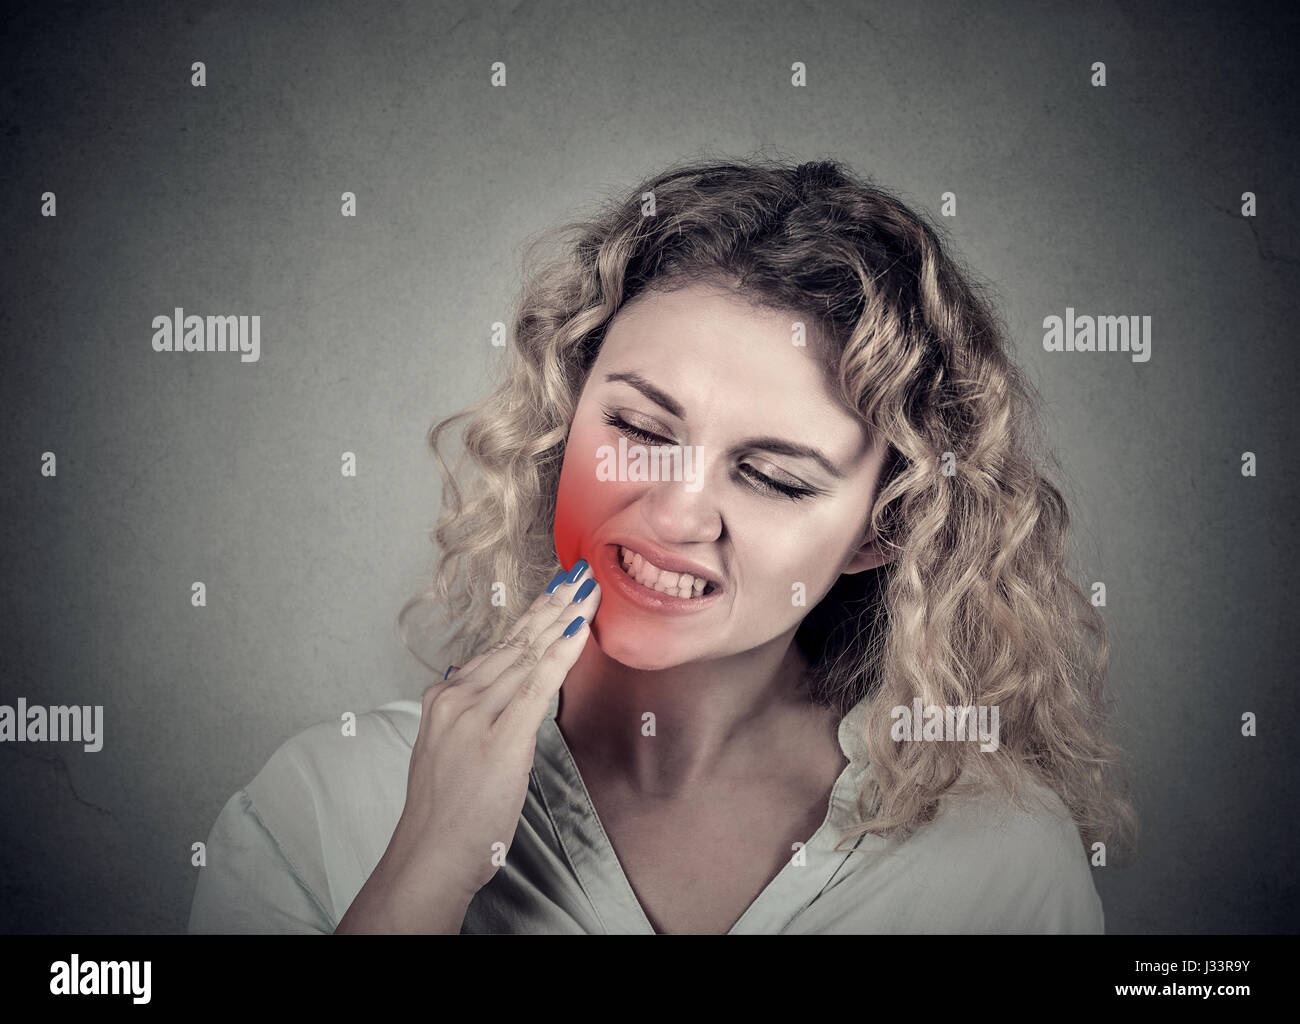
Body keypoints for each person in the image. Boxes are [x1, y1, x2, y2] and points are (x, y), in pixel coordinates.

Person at [188, 157, 1135, 934]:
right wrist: (425, 871)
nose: (678, 516)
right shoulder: (327, 800)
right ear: (566, 417)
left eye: (775, 477)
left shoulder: (998, 862)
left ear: (882, 529)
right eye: (640, 429)